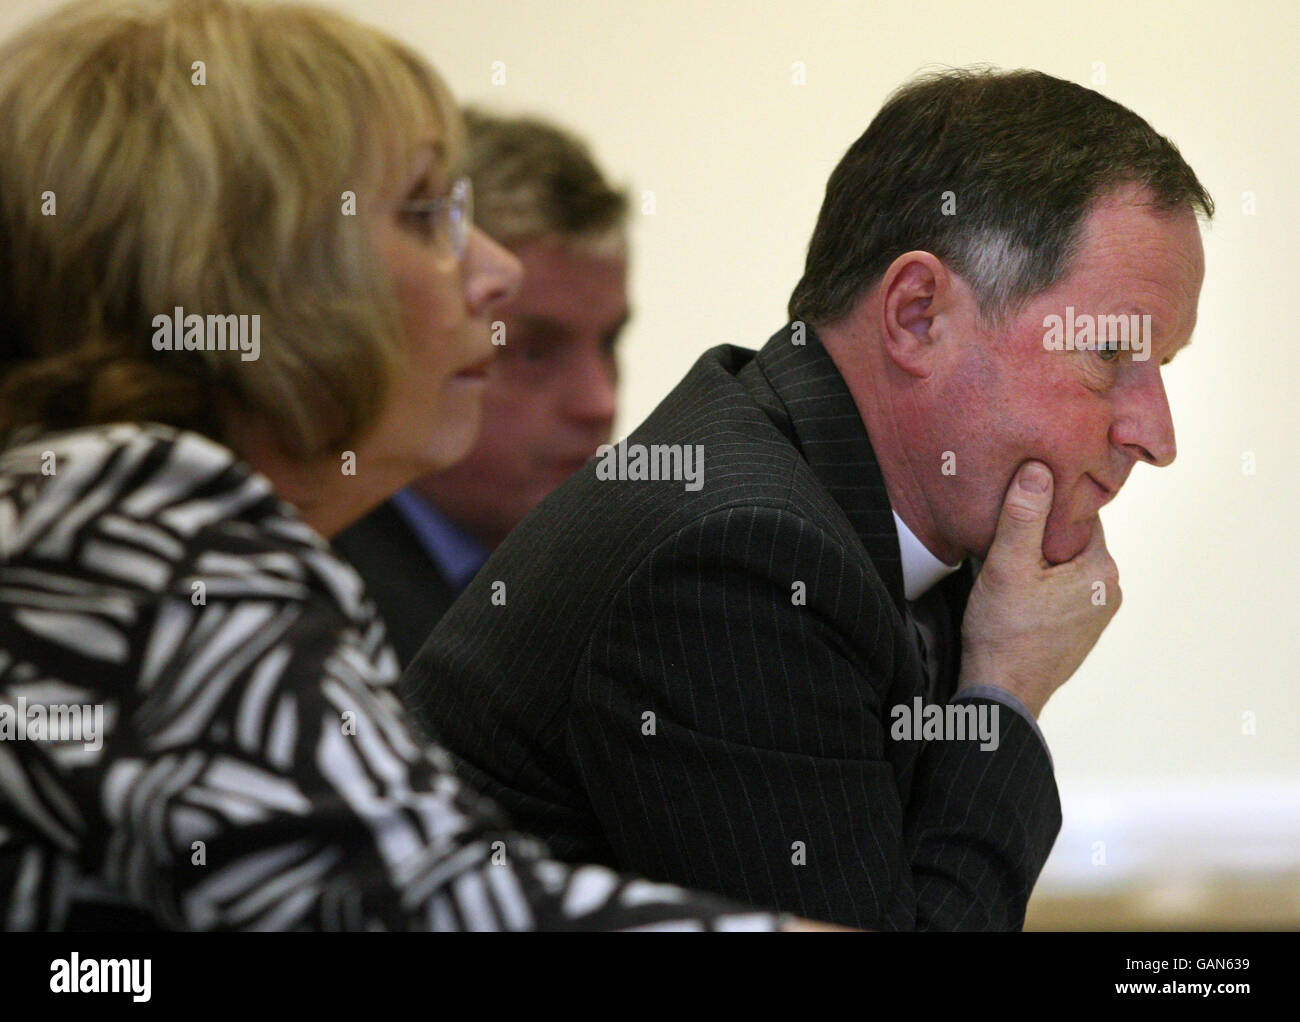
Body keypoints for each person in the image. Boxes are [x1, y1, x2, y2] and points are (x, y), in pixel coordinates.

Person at [0, 0, 805, 931]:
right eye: (426, 212)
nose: (492, 268)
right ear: (249, 270)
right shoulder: (132, 526)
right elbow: (438, 915)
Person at [403, 67, 1210, 930]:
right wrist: (1006, 695)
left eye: (1161, 368)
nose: (1156, 436)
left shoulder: (864, 519)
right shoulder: (739, 558)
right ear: (916, 315)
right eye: (1111, 356)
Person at [336, 110, 627, 667]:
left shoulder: (613, 583)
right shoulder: (317, 597)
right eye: (534, 351)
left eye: (610, 343)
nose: (600, 402)